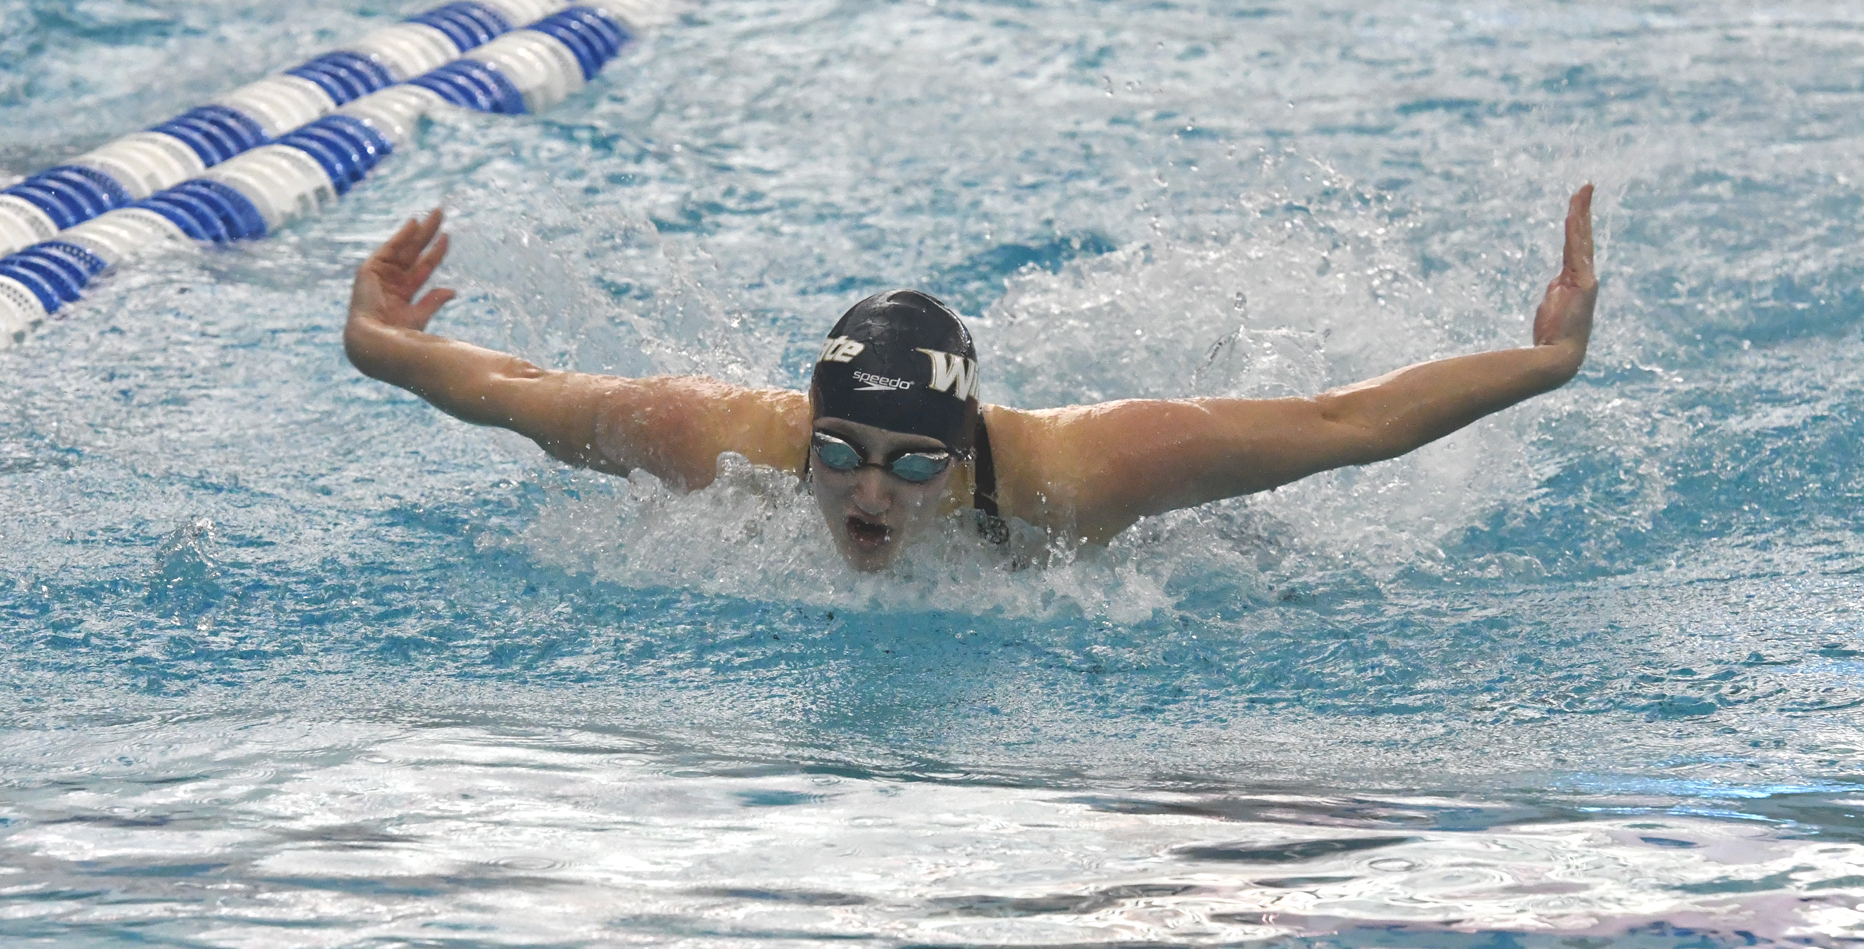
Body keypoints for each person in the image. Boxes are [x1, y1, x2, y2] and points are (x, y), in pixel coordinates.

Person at [344, 186, 1599, 571]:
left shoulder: (1078, 472)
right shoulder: (717, 439)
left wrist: (1543, 364)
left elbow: (1343, 419)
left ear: (964, 450)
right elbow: (513, 389)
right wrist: (380, 344)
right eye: (838, 454)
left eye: (910, 464)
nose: (866, 496)